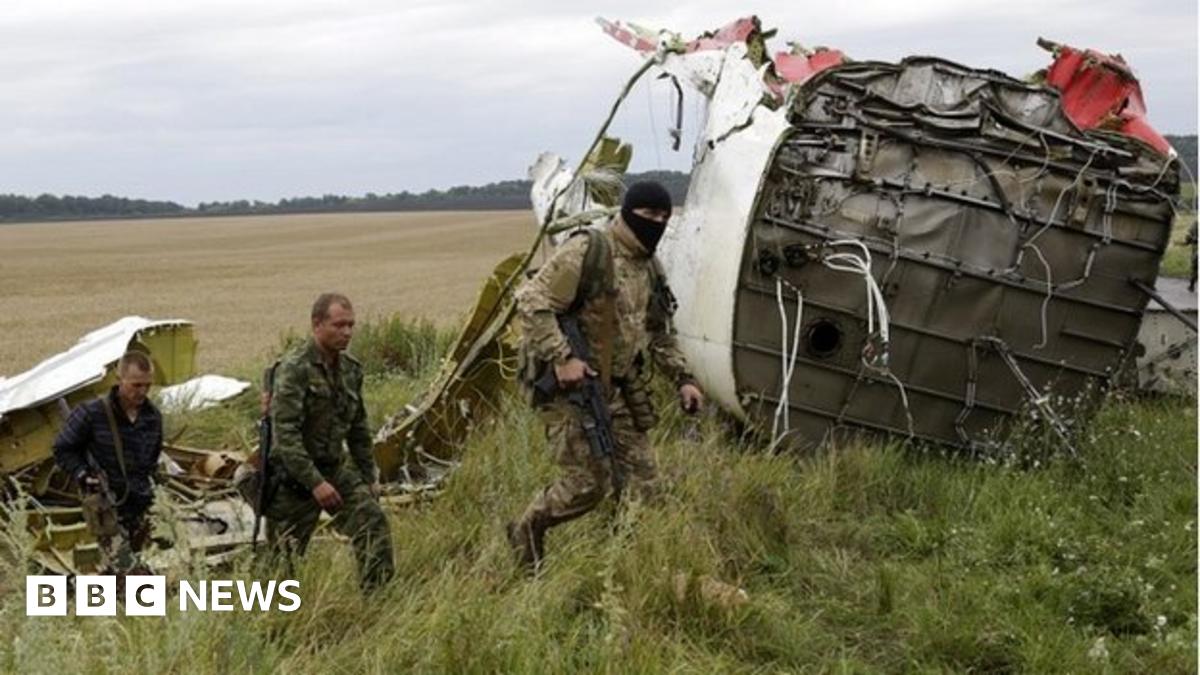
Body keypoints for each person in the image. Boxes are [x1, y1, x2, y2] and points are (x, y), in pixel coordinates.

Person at [506, 181, 705, 572]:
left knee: (646, 485)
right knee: (587, 484)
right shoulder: (589, 251)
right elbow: (530, 302)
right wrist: (563, 358)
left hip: (618, 389)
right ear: (629, 213)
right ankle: (528, 528)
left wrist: (683, 379)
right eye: (649, 216)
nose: (657, 224)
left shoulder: (650, 266)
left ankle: (634, 569)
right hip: (572, 391)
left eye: (665, 217)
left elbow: (659, 331)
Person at [263, 292, 394, 589]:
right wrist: (315, 484)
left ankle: (378, 600)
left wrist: (368, 474)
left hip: (334, 468)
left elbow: (358, 428)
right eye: (338, 325)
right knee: (283, 563)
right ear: (317, 324)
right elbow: (285, 436)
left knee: (373, 524)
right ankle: (273, 622)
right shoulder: (294, 369)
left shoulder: (350, 370)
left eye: (350, 325)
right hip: (292, 478)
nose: (346, 332)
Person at [54, 350, 162, 573]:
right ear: (119, 379)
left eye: (147, 385)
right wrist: (83, 474)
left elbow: (152, 461)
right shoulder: (92, 414)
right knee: (133, 575)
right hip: (106, 509)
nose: (142, 391)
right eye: (136, 385)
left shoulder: (152, 418)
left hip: (140, 507)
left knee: (121, 571)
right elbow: (63, 449)